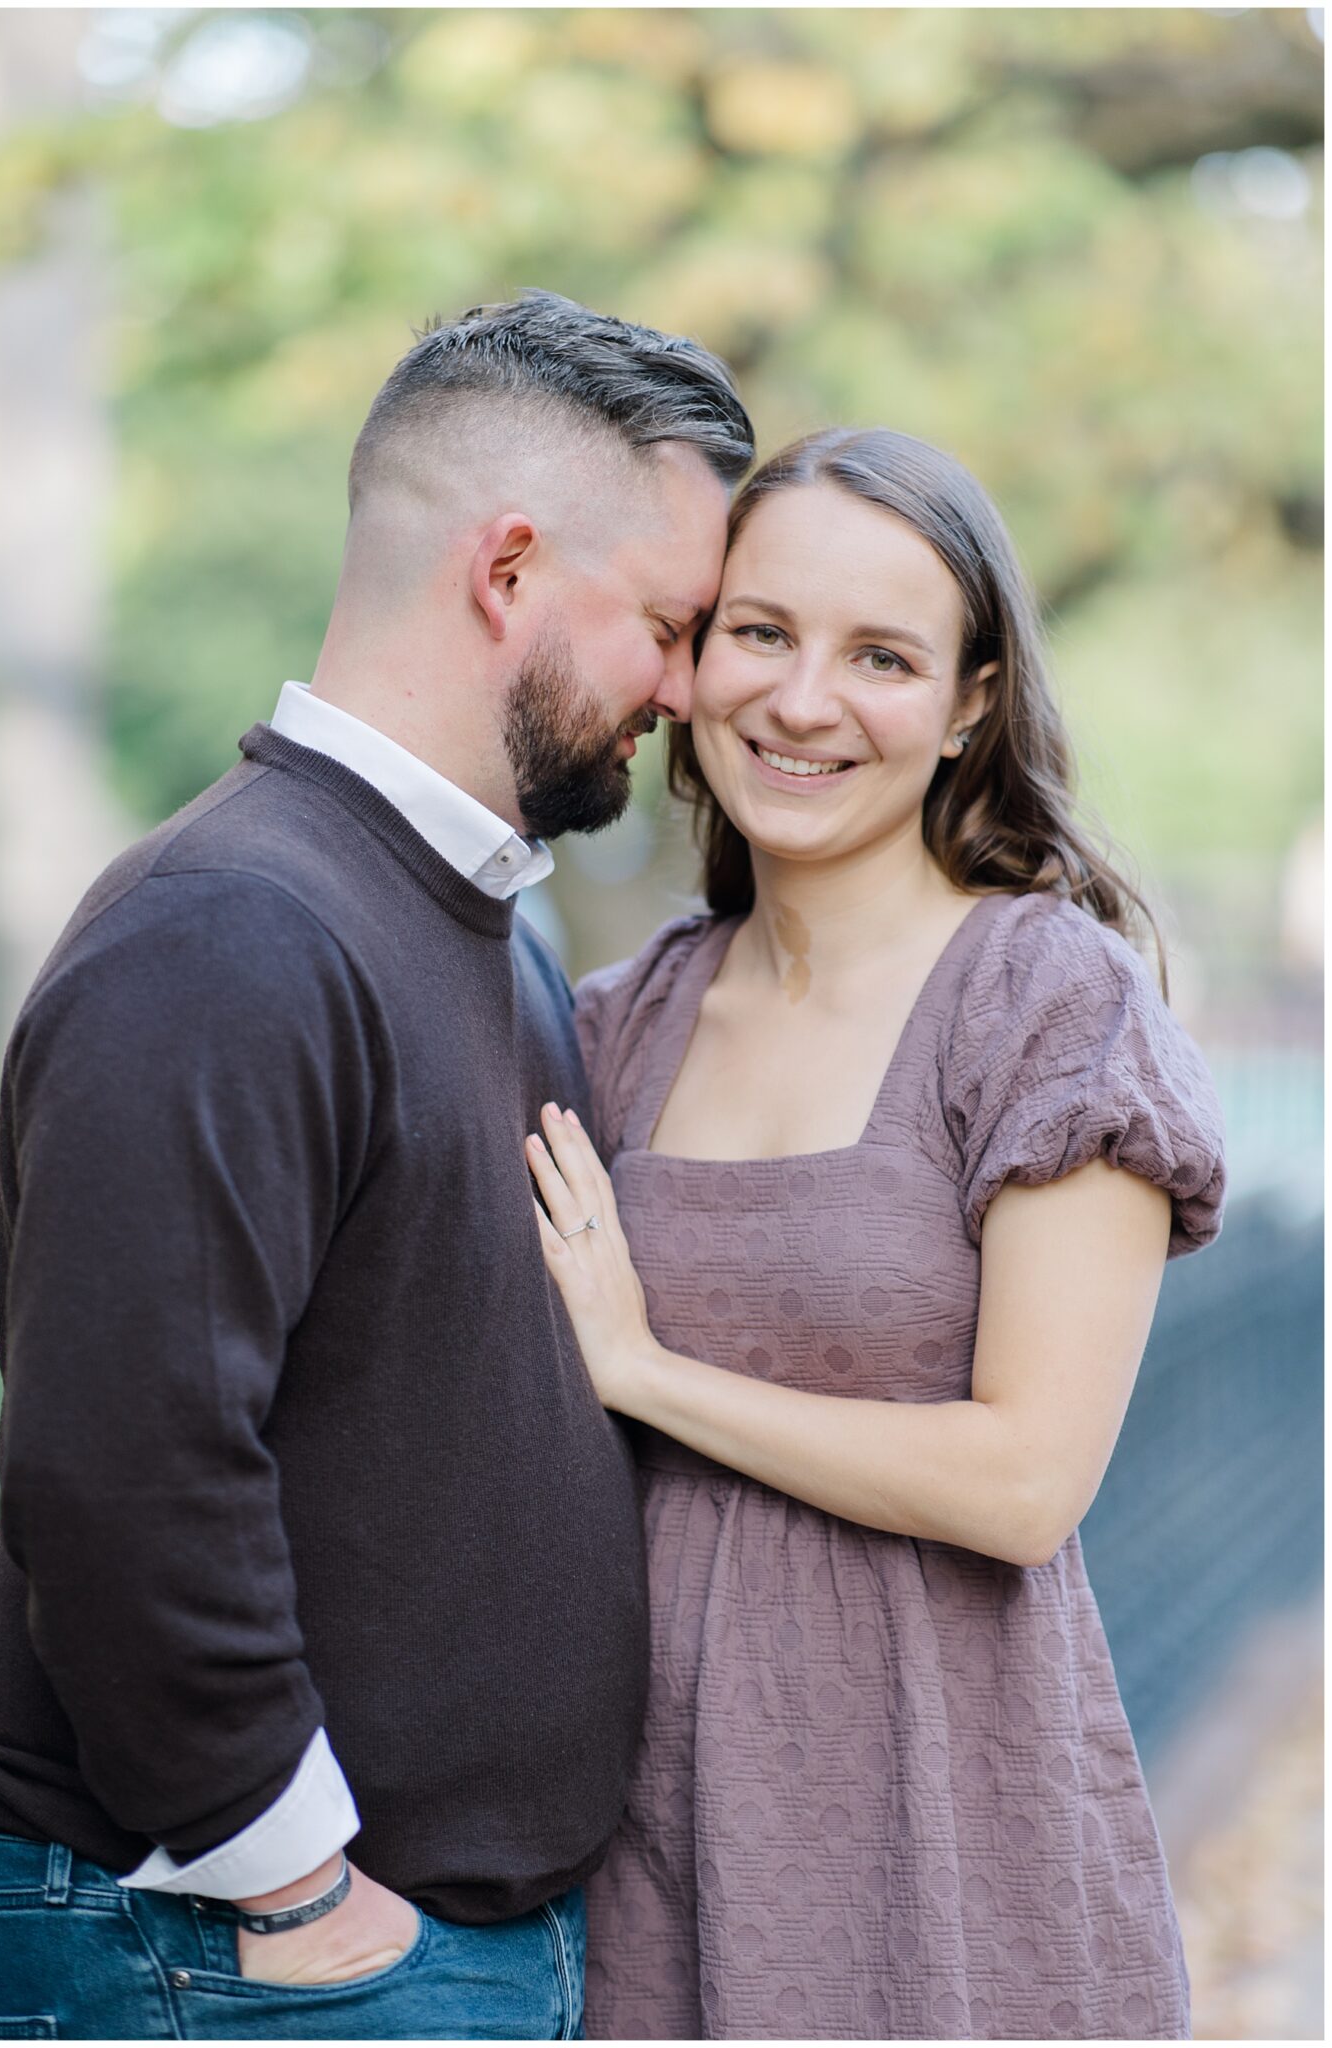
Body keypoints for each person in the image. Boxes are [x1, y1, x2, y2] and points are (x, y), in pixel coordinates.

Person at [0, 292, 753, 2042]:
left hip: (410, 1957)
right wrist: (298, 1884)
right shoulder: (230, 930)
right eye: (669, 624)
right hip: (236, 1966)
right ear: (508, 571)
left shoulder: (475, 926)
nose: (692, 690)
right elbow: (120, 1462)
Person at [524, 427, 1227, 2041]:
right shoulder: (620, 1023)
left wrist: (642, 1369)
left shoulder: (1043, 1005)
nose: (801, 701)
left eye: (881, 656)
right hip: (649, 1839)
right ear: (690, 659)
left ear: (970, 700)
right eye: (759, 632)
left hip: (940, 1829)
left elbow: (1023, 1483)